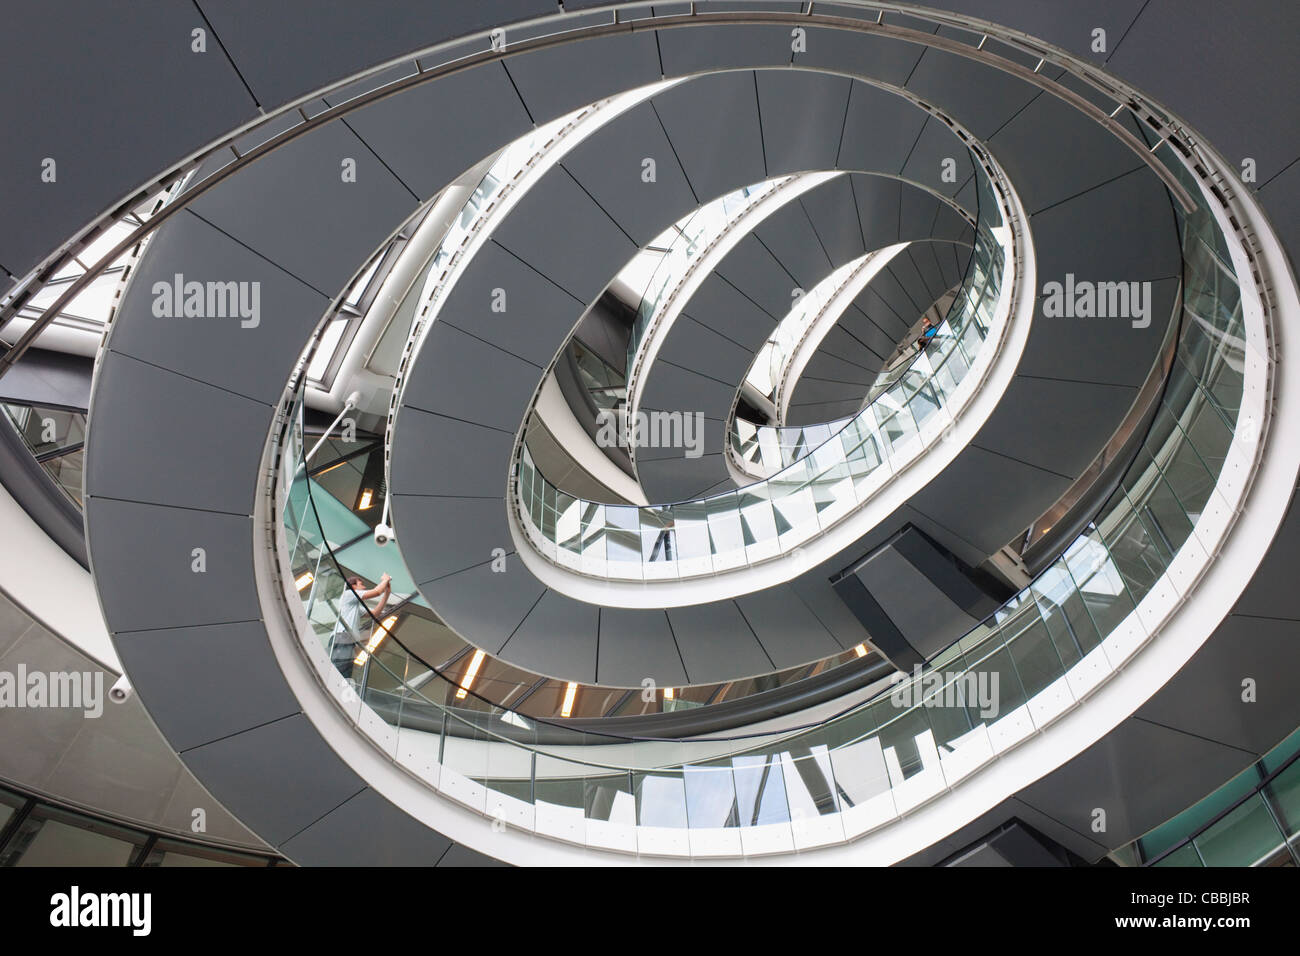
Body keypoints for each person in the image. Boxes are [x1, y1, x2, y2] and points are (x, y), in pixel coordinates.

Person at [329, 573, 391, 680]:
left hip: (346, 639)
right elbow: (376, 592)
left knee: (344, 673)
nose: (364, 587)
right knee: (339, 672)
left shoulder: (354, 605)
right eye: (361, 584)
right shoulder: (348, 594)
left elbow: (375, 613)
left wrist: (387, 594)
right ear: (353, 586)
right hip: (342, 637)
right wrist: (385, 580)